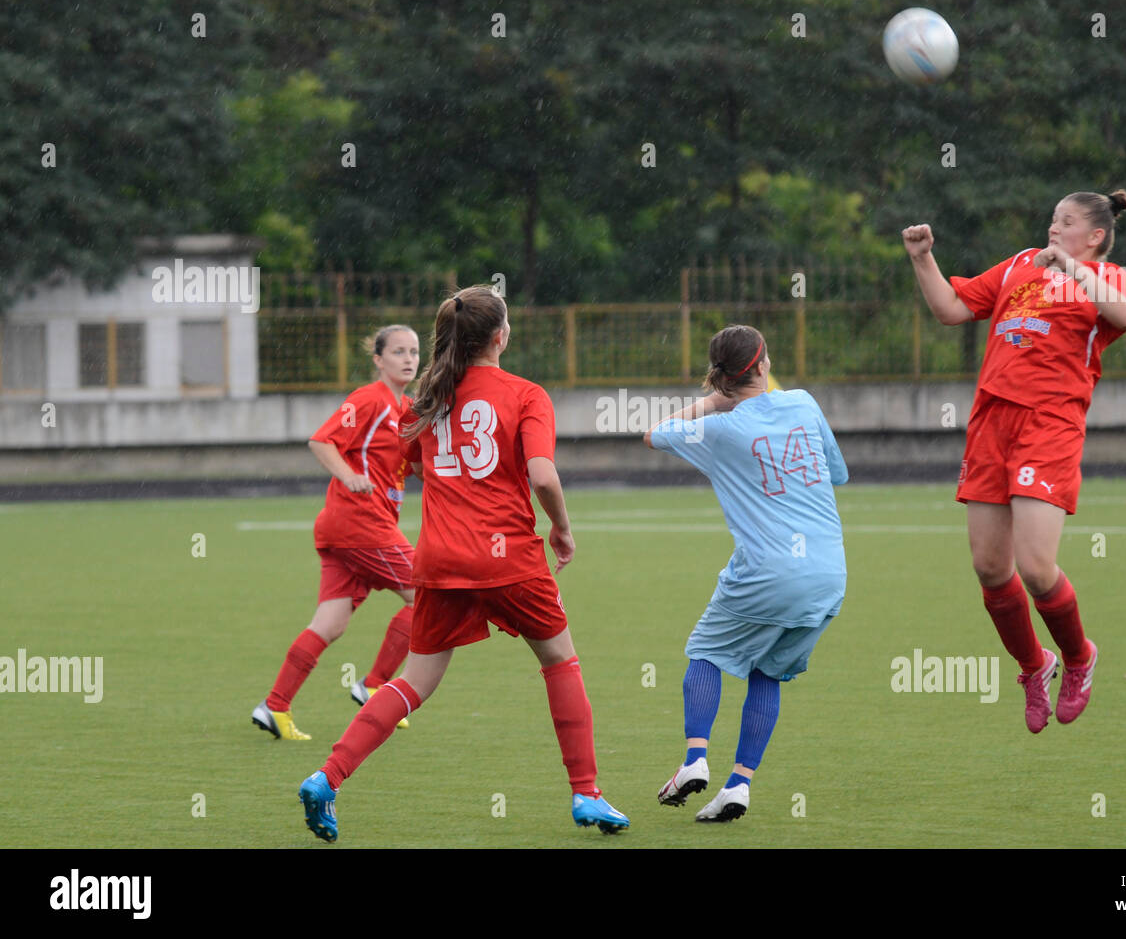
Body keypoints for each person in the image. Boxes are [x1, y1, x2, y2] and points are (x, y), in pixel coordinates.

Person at [297, 285, 628, 841]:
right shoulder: (525, 394)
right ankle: (587, 794)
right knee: (559, 663)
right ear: (500, 336)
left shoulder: (428, 399)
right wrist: (562, 530)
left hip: (440, 558)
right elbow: (543, 475)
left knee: (414, 682)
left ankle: (326, 779)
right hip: (508, 557)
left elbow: (410, 464)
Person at [901, 189, 1126, 733]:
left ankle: (1080, 656)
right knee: (991, 568)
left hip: (1050, 424)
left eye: (1065, 223)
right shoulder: (1019, 264)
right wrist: (923, 258)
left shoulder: (1108, 278)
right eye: (1052, 219)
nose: (1052, 228)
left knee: (1037, 567)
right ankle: (1035, 666)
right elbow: (951, 308)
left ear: (1095, 237)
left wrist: (1072, 267)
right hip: (992, 421)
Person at [644, 324, 847, 822]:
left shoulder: (718, 426)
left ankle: (695, 759)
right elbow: (836, 473)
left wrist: (713, 403)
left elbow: (653, 435)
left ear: (720, 377)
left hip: (766, 571)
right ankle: (739, 785)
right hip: (828, 574)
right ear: (763, 364)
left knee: (706, 651)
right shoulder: (804, 403)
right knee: (768, 671)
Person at [251, 325, 420, 740]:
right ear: (378, 359)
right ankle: (376, 684)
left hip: (348, 530)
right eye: (398, 351)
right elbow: (322, 441)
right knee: (430, 594)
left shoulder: (409, 408)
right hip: (360, 524)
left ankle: (275, 707)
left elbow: (417, 466)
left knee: (330, 623)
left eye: (414, 351)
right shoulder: (369, 399)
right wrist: (350, 476)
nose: (408, 358)